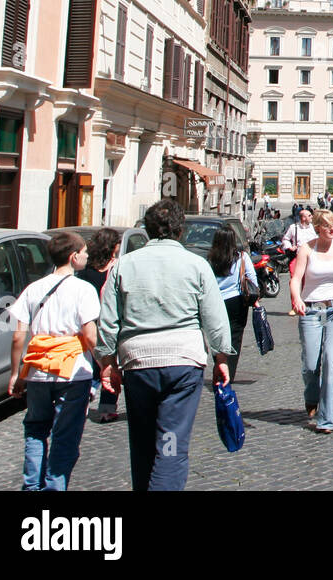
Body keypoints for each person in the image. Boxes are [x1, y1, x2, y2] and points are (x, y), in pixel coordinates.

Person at [95, 199, 232, 491]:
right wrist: (221, 356)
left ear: (146, 229)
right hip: (182, 364)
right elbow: (215, 317)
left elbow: (107, 320)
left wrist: (107, 362)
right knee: (171, 443)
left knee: (142, 441)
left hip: (138, 364)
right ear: (180, 231)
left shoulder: (124, 266)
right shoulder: (196, 265)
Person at [7, 232, 101, 491]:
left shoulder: (33, 289)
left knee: (36, 428)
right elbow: (90, 336)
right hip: (73, 371)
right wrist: (104, 365)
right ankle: (54, 487)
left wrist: (16, 373)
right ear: (73, 257)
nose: (87, 256)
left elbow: (18, 337)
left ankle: (31, 486)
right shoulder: (84, 289)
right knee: (65, 435)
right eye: (84, 252)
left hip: (37, 369)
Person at [289, 208, 333, 433]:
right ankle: (311, 394)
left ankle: (327, 419)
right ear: (317, 227)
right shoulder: (307, 248)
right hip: (310, 311)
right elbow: (296, 278)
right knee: (310, 364)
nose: (332, 229)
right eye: (327, 226)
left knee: (331, 360)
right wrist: (297, 298)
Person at [79, 228, 122, 422]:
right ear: (114, 247)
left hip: (89, 321)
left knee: (93, 361)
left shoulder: (86, 269)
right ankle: (107, 409)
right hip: (110, 321)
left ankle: (88, 391)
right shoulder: (116, 267)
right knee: (110, 363)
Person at [207, 227, 258, 381]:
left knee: (217, 335)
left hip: (216, 301)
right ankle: (230, 373)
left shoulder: (209, 260)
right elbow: (252, 277)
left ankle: (218, 364)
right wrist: (255, 298)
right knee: (235, 338)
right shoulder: (241, 257)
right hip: (237, 302)